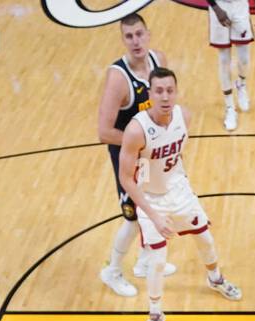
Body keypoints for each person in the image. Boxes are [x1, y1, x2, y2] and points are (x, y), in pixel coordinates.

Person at [118, 68, 241, 321]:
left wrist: (180, 185)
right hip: (150, 199)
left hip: (179, 190)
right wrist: (153, 215)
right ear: (150, 94)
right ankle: (155, 314)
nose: (165, 96)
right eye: (159, 91)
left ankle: (215, 279)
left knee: (205, 239)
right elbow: (126, 178)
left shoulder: (184, 116)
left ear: (176, 92)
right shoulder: (136, 130)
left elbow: (173, 157)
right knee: (157, 261)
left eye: (170, 90)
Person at [95, 12, 177, 298]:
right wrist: (140, 143)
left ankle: (143, 261)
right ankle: (112, 271)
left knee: (153, 206)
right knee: (132, 219)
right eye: (129, 36)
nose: (135, 41)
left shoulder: (159, 60)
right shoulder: (118, 78)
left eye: (139, 34)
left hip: (150, 154)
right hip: (128, 157)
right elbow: (104, 132)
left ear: (148, 34)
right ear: (123, 40)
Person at [208, 0, 255, 132]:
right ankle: (230, 108)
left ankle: (241, 84)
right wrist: (216, 8)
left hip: (240, 6)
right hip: (219, 6)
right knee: (224, 60)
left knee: (244, 59)